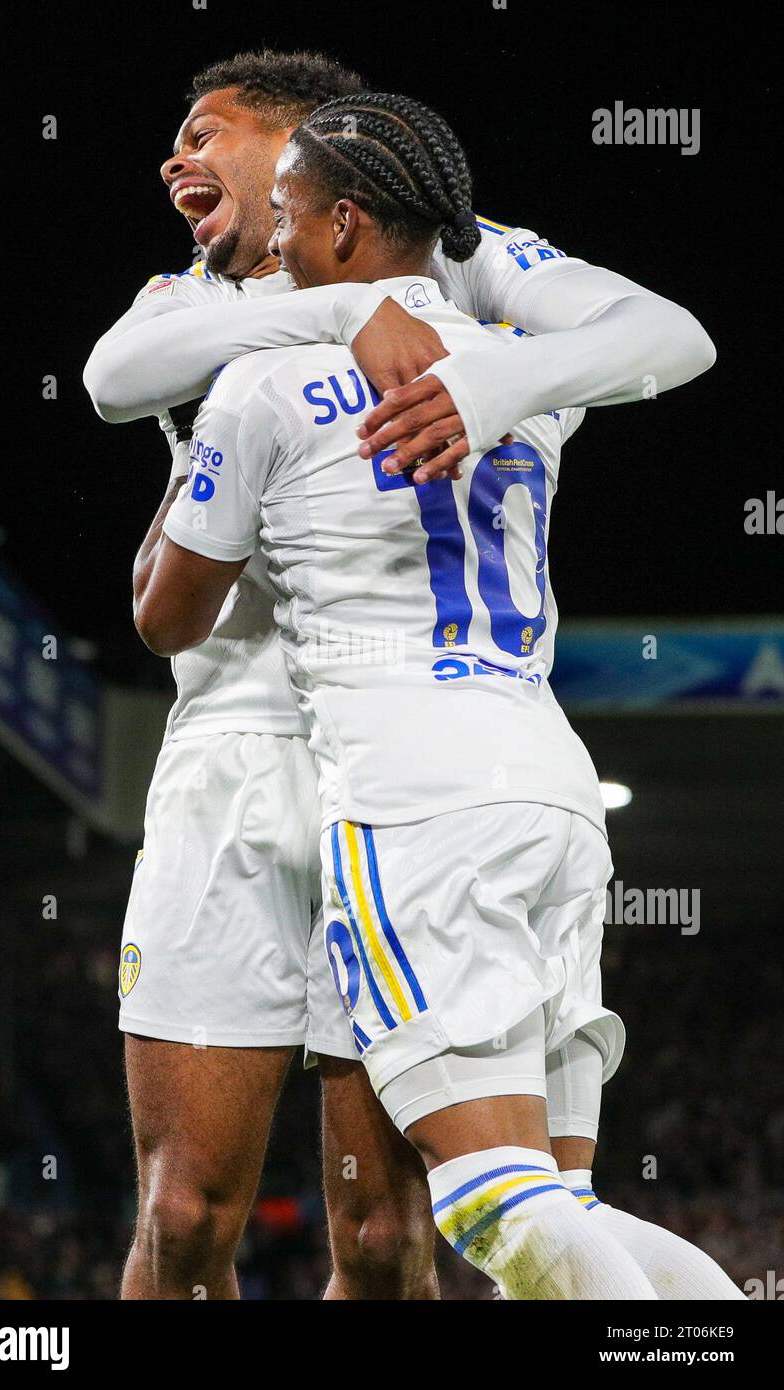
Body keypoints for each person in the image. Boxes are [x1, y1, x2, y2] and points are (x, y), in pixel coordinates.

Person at [84, 50, 724, 1299]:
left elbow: (669, 332)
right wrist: (337, 314)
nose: (175, 159)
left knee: (390, 1236)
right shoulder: (187, 294)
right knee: (184, 1210)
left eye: (205, 132)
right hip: (240, 757)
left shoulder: (472, 255)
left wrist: (498, 378)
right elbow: (110, 383)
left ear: (307, 157)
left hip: (385, 769)